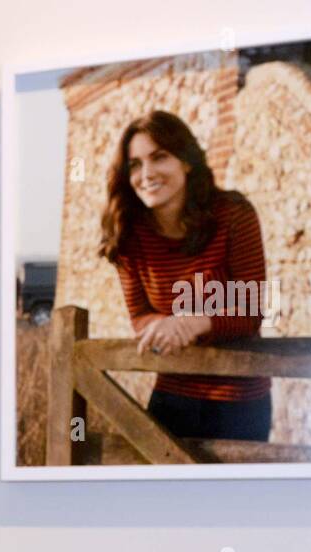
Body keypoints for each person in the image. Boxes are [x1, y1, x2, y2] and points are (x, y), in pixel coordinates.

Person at [99, 109, 273, 442]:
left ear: (187, 162)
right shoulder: (128, 235)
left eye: (159, 157)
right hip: (172, 397)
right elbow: (139, 316)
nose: (146, 173)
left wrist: (191, 322)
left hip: (239, 401)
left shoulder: (234, 215)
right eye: (135, 164)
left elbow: (250, 312)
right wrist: (160, 325)